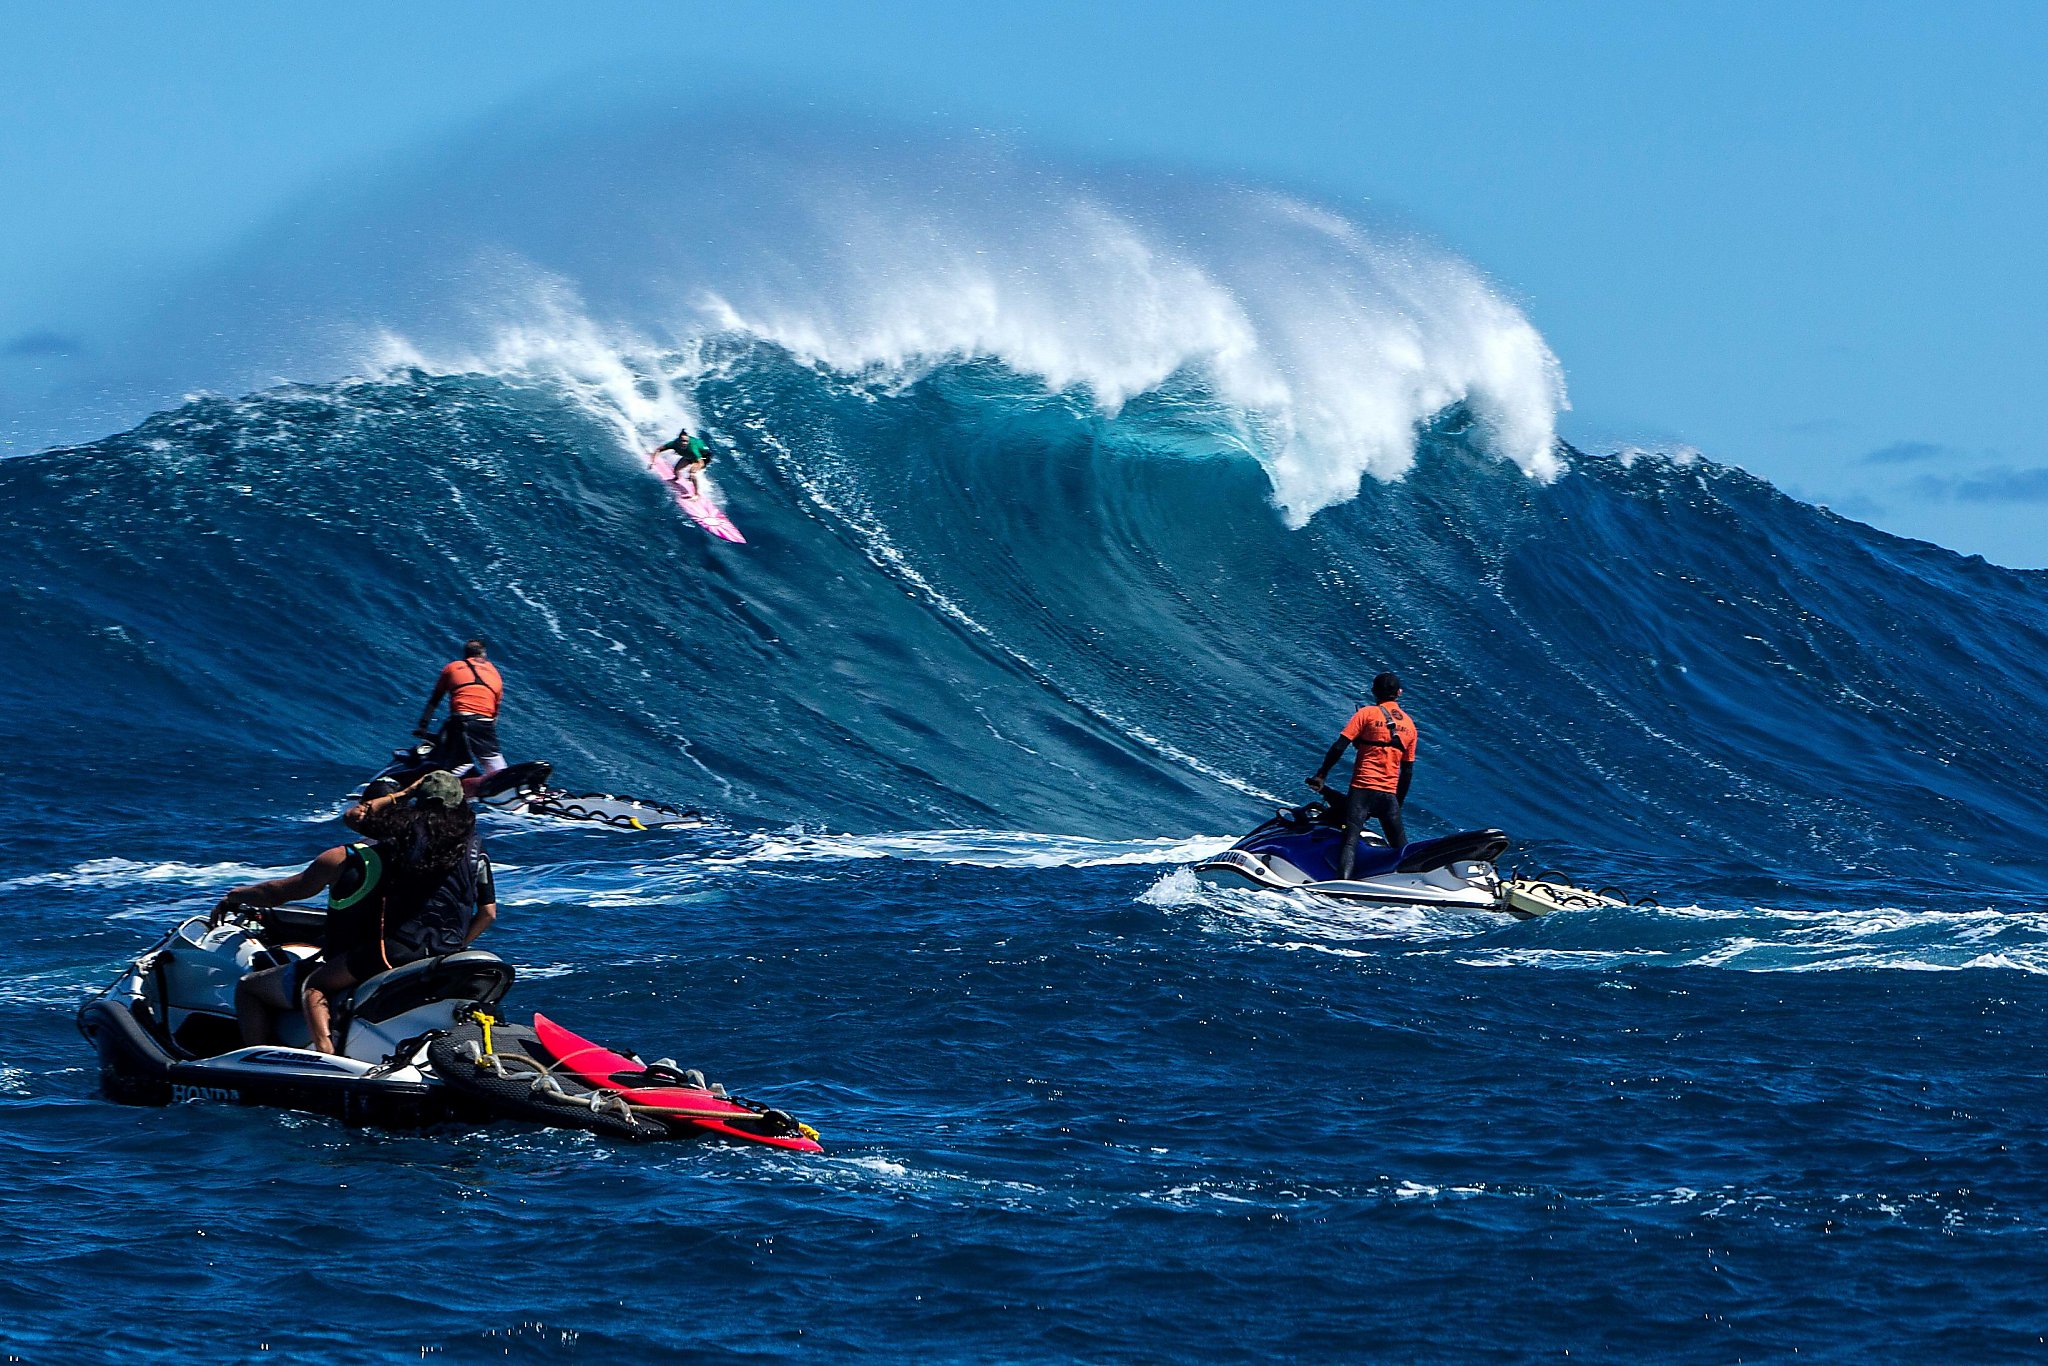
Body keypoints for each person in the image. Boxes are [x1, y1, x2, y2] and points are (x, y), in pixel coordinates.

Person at [215, 771, 497, 1052]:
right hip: (447, 953)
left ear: (418, 800)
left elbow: (354, 817)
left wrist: (403, 793)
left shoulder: (398, 840)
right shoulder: (472, 846)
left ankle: (324, 1056)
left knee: (314, 986)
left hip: (395, 950)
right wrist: (456, 944)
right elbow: (487, 914)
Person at [1306, 672, 1419, 881]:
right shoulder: (1410, 727)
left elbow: (1339, 746)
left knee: (1350, 841)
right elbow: (1407, 771)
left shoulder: (1366, 714)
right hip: (1388, 795)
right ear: (1399, 693)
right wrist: (1397, 803)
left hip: (1363, 790)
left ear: (1374, 691)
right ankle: (1413, 883)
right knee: (1402, 849)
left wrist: (1321, 775)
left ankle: (1342, 887)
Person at [417, 637, 506, 776]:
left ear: (465, 654)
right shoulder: (495, 674)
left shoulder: (452, 667)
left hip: (458, 722)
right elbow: (494, 716)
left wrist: (422, 726)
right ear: (484, 654)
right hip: (484, 725)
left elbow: (434, 700)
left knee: (448, 765)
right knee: (497, 768)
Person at [653, 425, 715, 497]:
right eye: (683, 441)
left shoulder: (692, 448)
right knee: (676, 470)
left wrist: (694, 470)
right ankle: (676, 478)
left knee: (692, 474)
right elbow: (658, 450)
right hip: (690, 456)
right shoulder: (674, 444)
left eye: (686, 441)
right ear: (678, 440)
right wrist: (653, 462)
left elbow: (700, 462)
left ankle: (696, 494)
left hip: (704, 457)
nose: (685, 443)